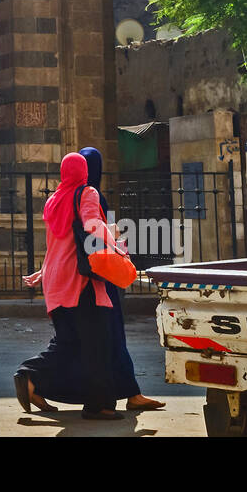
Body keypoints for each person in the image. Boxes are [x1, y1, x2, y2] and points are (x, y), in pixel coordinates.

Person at [13, 152, 122, 420]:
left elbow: (55, 246)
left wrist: (42, 273)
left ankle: (29, 377)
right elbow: (92, 225)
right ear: (84, 171)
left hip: (56, 282)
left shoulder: (53, 199)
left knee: (68, 341)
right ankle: (100, 405)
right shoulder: (87, 193)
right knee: (98, 342)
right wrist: (115, 238)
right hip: (79, 282)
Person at [78, 146, 163, 412]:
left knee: (104, 339)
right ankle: (128, 394)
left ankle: (128, 392)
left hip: (85, 280)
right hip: (103, 278)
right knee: (114, 336)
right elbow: (96, 236)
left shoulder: (73, 195)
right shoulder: (93, 196)